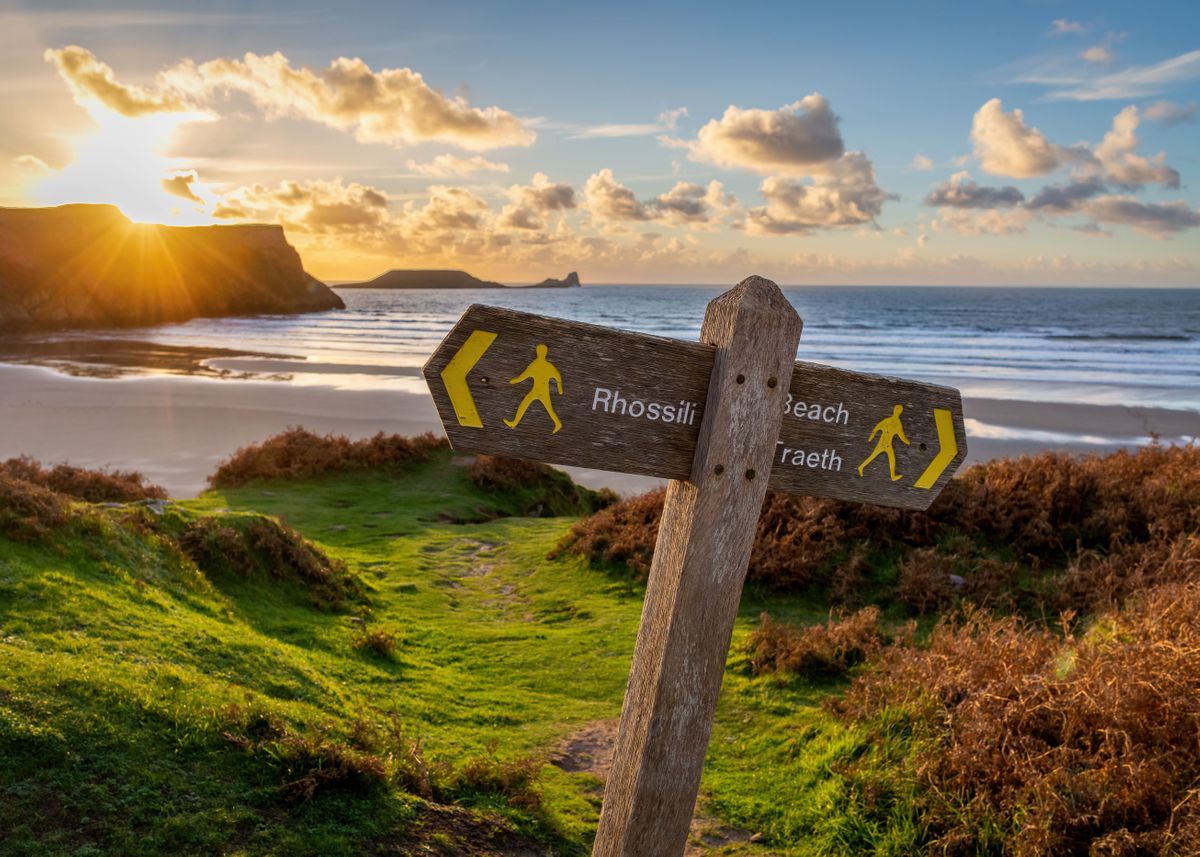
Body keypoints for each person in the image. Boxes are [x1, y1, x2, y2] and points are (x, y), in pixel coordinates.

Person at [504, 343, 564, 433]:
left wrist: (560, 388)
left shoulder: (540, 365)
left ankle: (558, 423)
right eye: (539, 351)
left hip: (542, 392)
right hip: (536, 391)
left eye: (541, 351)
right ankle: (514, 422)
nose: (540, 353)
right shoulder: (541, 365)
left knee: (548, 409)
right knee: (525, 404)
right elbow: (524, 376)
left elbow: (557, 377)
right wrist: (515, 381)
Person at [857, 404, 909, 481]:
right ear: (894, 410)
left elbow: (902, 436)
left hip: (888, 445)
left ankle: (893, 476)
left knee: (892, 458)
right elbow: (877, 427)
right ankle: (861, 467)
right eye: (896, 409)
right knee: (872, 456)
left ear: (900, 412)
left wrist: (907, 442)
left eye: (899, 409)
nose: (897, 411)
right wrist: (871, 437)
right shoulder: (887, 421)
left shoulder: (898, 424)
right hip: (881, 444)